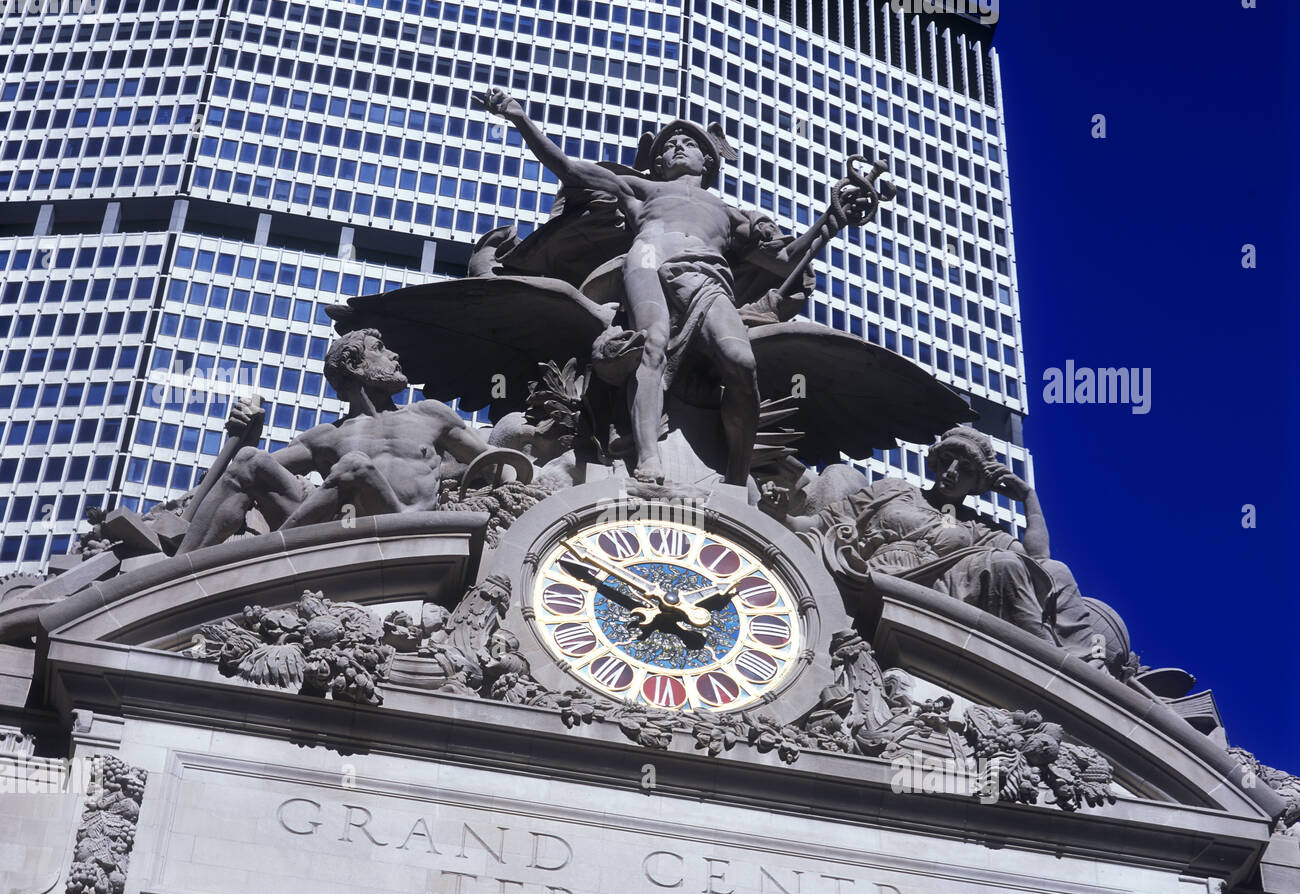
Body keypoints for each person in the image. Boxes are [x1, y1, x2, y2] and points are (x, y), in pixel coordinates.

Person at [475, 87, 844, 487]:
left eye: (688, 143)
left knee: (741, 363)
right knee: (651, 346)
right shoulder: (642, 190)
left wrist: (831, 219)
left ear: (708, 160)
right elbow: (569, 168)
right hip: (649, 259)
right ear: (658, 161)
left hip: (709, 274)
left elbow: (786, 260)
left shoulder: (732, 215)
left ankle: (737, 474)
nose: (678, 148)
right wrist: (520, 118)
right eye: (669, 145)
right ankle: (648, 458)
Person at [765, 427, 1098, 662]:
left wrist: (1029, 498)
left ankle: (1054, 661)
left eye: (966, 469)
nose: (953, 471)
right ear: (936, 461)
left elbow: (1040, 562)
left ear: (978, 483)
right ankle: (1045, 661)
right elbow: (825, 524)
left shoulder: (975, 527)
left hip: (941, 590)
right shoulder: (894, 490)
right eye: (949, 460)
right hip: (880, 577)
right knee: (1005, 563)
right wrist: (785, 517)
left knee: (1026, 566)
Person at [178, 329, 523, 551]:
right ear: (355, 365)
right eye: (381, 349)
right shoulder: (325, 436)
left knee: (355, 465)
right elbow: (239, 476)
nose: (394, 356)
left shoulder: (429, 414)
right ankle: (179, 567)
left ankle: (274, 549)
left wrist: (516, 487)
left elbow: (492, 460)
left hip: (405, 524)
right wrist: (245, 436)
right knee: (251, 459)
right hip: (337, 528)